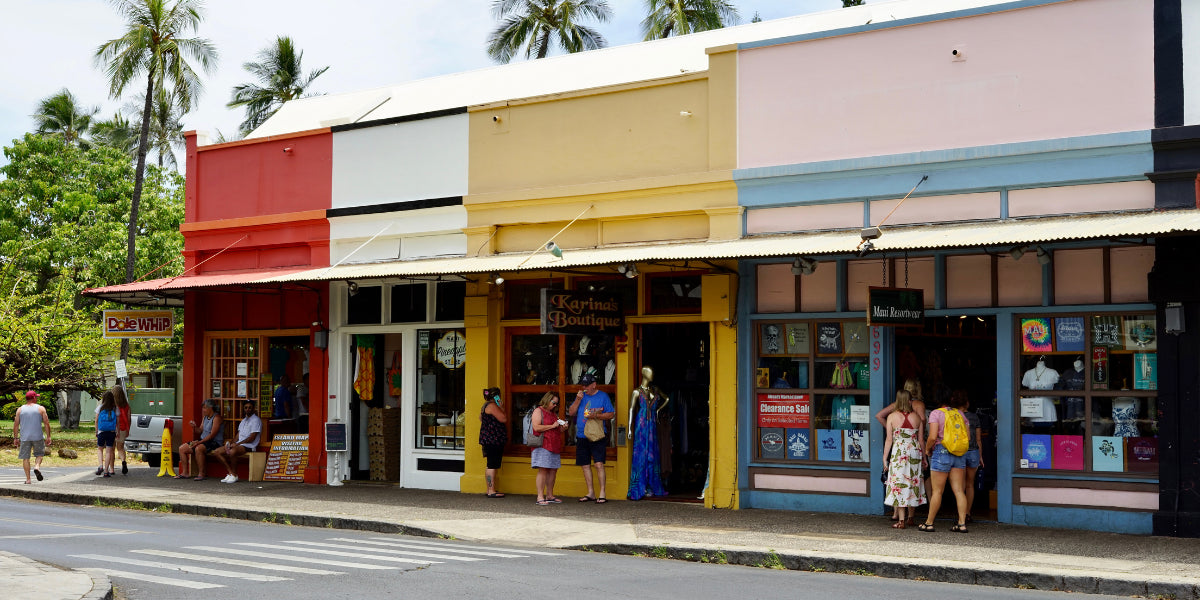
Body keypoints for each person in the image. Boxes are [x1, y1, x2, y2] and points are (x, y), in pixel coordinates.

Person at [919, 389, 971, 533]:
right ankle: (962, 523)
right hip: (958, 453)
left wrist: (927, 450)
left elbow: (932, 437)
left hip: (941, 451)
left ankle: (929, 523)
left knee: (937, 491)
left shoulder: (936, 414)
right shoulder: (959, 414)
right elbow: (968, 437)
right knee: (959, 490)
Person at [876, 378, 926, 521]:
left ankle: (901, 520)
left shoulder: (892, 417)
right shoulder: (917, 417)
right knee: (913, 482)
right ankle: (911, 517)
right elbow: (921, 440)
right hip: (914, 451)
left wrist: (884, 458)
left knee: (899, 482)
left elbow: (889, 440)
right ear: (910, 401)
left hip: (899, 452)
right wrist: (924, 458)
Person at [568, 373, 615, 503]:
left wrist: (595, 416)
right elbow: (571, 412)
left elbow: (611, 414)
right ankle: (591, 493)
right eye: (583, 385)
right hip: (582, 435)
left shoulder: (603, 396)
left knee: (598, 464)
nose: (584, 388)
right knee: (585, 465)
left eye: (587, 385)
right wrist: (578, 400)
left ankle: (602, 493)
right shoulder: (580, 396)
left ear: (594, 385)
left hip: (597, 435)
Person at [627, 366, 668, 501]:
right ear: (644, 374)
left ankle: (651, 486)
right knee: (641, 453)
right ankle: (639, 487)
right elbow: (631, 409)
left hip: (652, 425)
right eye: (650, 373)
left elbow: (667, 399)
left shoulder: (655, 389)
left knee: (652, 454)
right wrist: (629, 428)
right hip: (642, 424)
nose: (652, 375)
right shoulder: (637, 392)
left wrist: (658, 410)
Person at [211, 400, 263, 484]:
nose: (247, 409)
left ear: (253, 408)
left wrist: (237, 444)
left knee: (232, 451)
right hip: (239, 445)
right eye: (246, 408)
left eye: (250, 408)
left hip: (249, 446)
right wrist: (230, 444)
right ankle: (231, 473)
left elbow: (252, 438)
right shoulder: (243, 420)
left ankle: (234, 474)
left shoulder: (256, 420)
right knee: (217, 452)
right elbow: (237, 436)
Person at [530, 392, 568, 505]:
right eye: (553, 403)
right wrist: (552, 426)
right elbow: (536, 427)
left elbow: (556, 429)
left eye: (556, 403)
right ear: (547, 400)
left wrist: (563, 428)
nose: (555, 405)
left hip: (554, 444)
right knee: (543, 470)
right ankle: (540, 496)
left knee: (553, 470)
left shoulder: (552, 413)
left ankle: (550, 495)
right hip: (543, 444)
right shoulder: (538, 411)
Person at [176, 399, 223, 481]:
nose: (203, 410)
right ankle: (185, 473)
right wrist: (194, 427)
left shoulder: (217, 418)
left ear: (210, 408)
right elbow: (200, 430)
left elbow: (212, 435)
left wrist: (199, 442)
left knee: (199, 448)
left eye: (205, 408)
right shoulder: (205, 418)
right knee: (182, 448)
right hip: (203, 440)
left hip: (214, 442)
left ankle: (201, 473)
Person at [13, 391, 51, 484]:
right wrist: (48, 436)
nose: (36, 398)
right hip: (38, 437)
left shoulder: (20, 410)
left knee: (25, 458)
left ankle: (28, 479)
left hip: (25, 438)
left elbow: (16, 424)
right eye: (36, 397)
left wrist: (15, 438)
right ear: (33, 398)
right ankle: (37, 467)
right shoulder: (40, 409)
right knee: (39, 454)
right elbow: (46, 423)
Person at [478, 387, 507, 498]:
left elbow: (480, 418)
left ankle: (489, 489)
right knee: (492, 465)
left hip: (488, 439)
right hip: (494, 439)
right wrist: (501, 407)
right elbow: (503, 418)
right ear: (496, 396)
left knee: (490, 464)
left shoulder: (485, 406)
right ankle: (491, 490)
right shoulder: (492, 406)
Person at [963, 400, 985, 523]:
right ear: (967, 403)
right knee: (970, 484)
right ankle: (967, 512)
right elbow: (978, 439)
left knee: (959, 486)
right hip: (973, 452)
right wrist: (980, 456)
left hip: (959, 452)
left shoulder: (953, 415)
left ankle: (961, 514)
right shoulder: (974, 417)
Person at [95, 390, 118, 477]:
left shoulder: (100, 407)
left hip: (101, 431)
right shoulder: (115, 408)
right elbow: (118, 422)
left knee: (100, 449)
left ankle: (100, 465)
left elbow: (96, 420)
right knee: (108, 451)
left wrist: (96, 431)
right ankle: (106, 471)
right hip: (111, 432)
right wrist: (118, 431)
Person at [113, 385, 131, 475]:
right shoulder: (126, 405)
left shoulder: (112, 405)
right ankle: (123, 461)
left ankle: (111, 468)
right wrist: (128, 429)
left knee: (111, 448)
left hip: (113, 428)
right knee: (120, 448)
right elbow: (129, 418)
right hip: (123, 429)